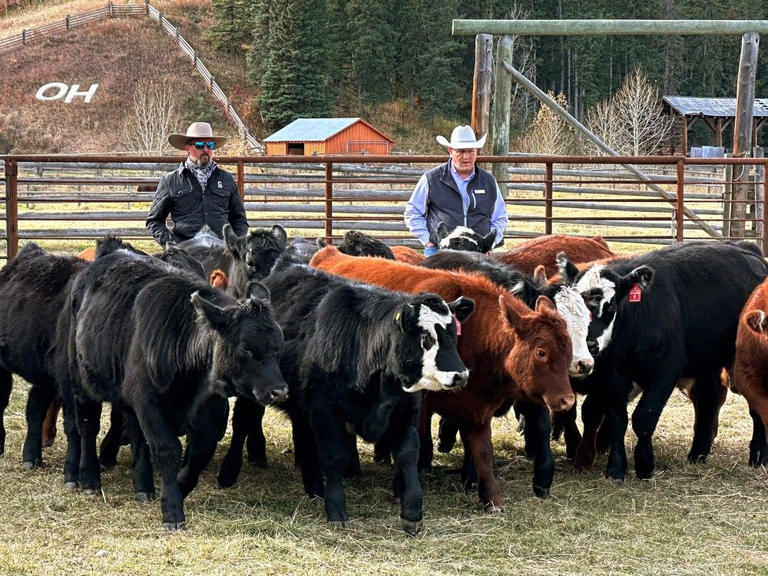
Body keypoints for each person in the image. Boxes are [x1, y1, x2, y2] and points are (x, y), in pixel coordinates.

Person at [404, 125, 508, 256]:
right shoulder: (432, 179)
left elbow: (500, 217)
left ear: (476, 152)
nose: (466, 157)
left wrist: (488, 243)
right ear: (450, 151)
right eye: (461, 151)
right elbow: (413, 212)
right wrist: (427, 240)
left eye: (471, 151)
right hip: (440, 250)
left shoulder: (488, 181)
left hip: (478, 252)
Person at [146, 121, 249, 245]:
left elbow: (239, 219)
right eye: (199, 145)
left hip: (221, 253)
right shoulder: (170, 181)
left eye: (210, 145)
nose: (205, 149)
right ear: (188, 148)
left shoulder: (226, 179)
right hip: (186, 254)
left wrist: (235, 245)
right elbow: (154, 221)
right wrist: (173, 244)